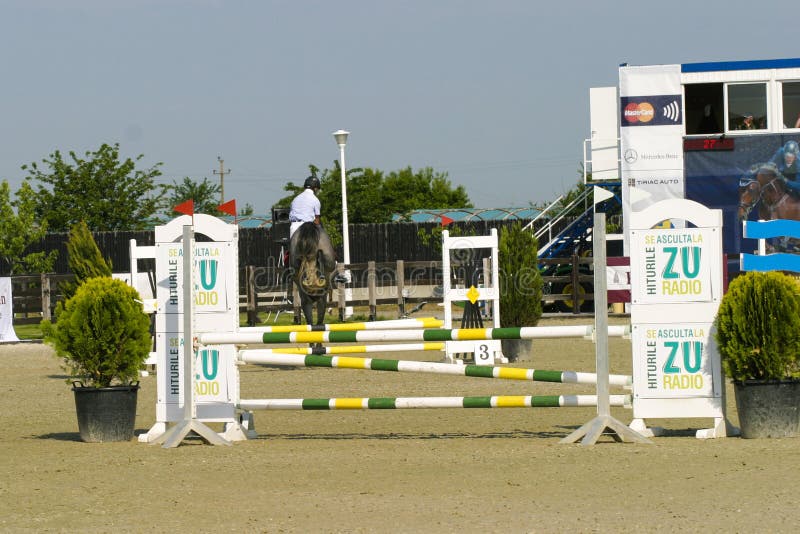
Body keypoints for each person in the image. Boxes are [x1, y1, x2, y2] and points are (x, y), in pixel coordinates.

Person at [287, 176, 347, 283]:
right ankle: (335, 273)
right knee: (326, 246)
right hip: (310, 225)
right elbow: (317, 220)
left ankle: (289, 272)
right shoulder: (315, 200)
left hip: (295, 226)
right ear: (315, 188)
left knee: (291, 251)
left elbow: (290, 216)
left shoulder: (295, 199)